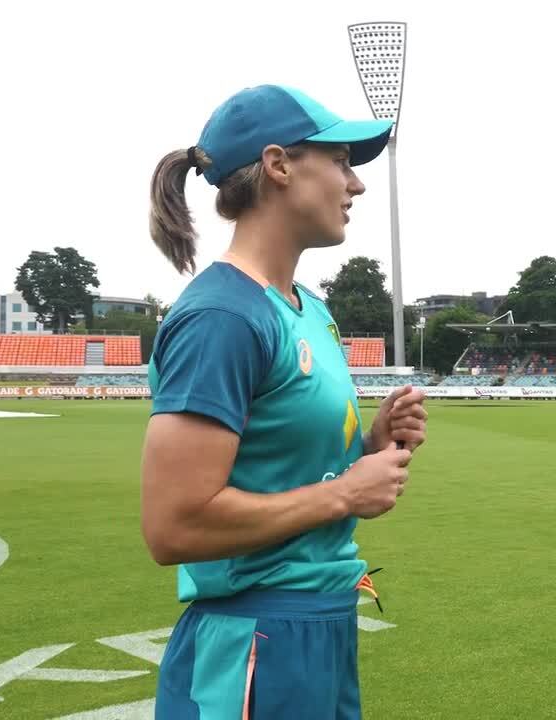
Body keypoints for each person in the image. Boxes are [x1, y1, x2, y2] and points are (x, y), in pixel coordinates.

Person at [140, 84, 428, 719]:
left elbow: (286, 462)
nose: (356, 185)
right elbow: (174, 525)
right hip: (254, 638)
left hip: (319, 624)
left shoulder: (309, 310)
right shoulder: (221, 316)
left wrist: (372, 446)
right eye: (343, 162)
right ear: (278, 166)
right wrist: (347, 494)